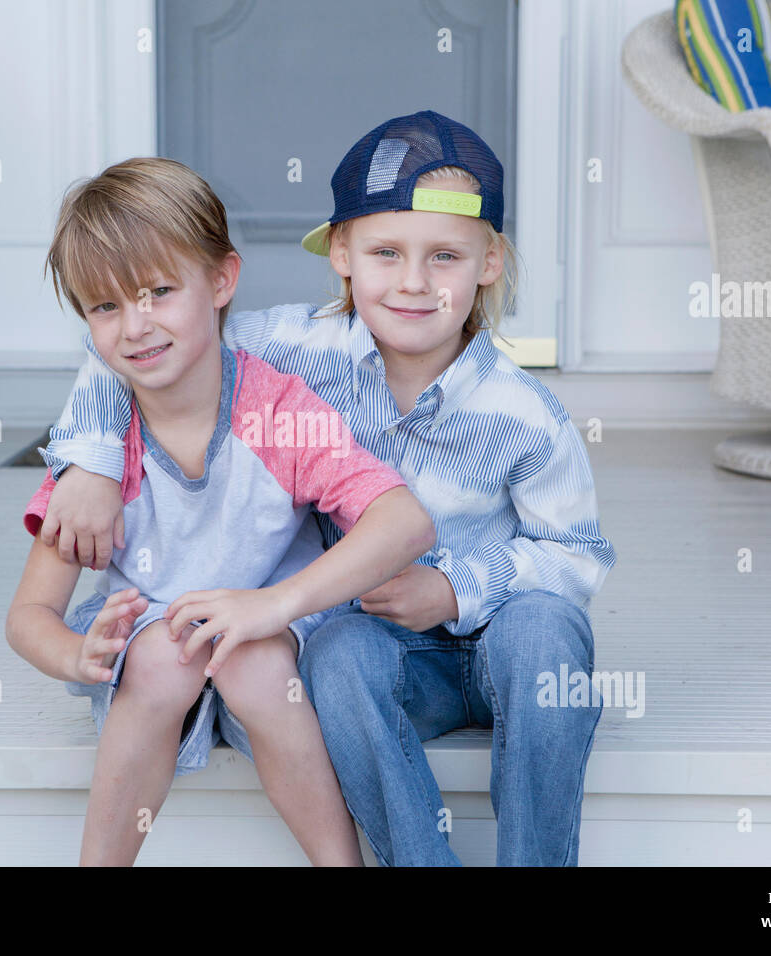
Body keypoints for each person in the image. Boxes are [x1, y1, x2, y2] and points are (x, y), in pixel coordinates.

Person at [34, 112, 618, 866]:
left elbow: (578, 557)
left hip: (502, 638)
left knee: (548, 634)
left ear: (488, 262)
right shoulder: (292, 347)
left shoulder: (525, 413)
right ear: (342, 253)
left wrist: (454, 588)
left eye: (444, 256)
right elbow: (142, 342)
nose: (413, 282)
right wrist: (90, 460)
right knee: (337, 656)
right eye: (385, 252)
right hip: (384, 652)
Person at [5, 156, 435, 866]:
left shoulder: (274, 411)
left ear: (221, 281)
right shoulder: (100, 456)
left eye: (158, 292)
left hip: (273, 656)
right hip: (154, 665)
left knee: (255, 658)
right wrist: (75, 657)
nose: (136, 326)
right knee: (166, 657)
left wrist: (272, 606)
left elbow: (404, 521)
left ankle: (339, 862)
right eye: (105, 307)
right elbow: (28, 618)